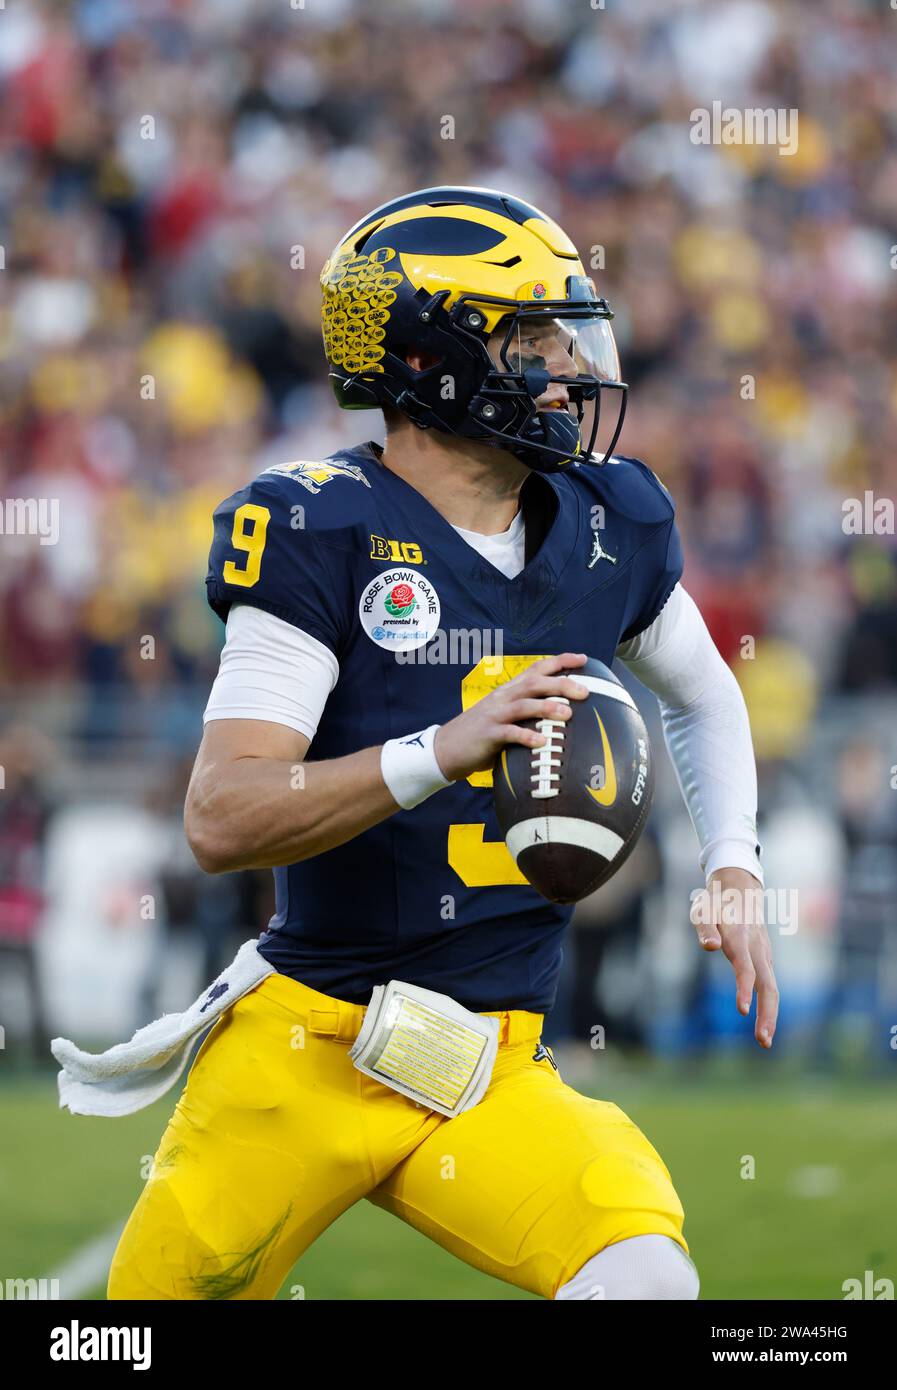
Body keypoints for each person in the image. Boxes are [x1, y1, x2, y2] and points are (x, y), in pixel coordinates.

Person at [108, 187, 777, 1301]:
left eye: (569, 334)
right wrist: (438, 750)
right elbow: (222, 816)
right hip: (300, 1051)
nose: (568, 365)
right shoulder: (320, 528)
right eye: (532, 337)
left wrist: (735, 860)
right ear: (434, 359)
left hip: (487, 1062)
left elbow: (705, 695)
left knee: (648, 1278)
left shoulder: (609, 524)